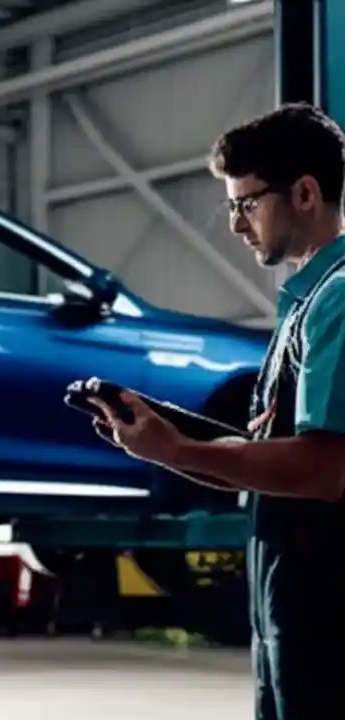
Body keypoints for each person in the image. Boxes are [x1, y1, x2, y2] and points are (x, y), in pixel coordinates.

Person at [88, 103, 345, 719]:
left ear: (305, 193)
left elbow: (325, 469)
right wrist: (167, 439)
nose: (235, 225)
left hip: (330, 617)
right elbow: (270, 465)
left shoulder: (338, 301)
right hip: (294, 608)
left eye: (246, 203)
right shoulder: (306, 303)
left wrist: (176, 450)